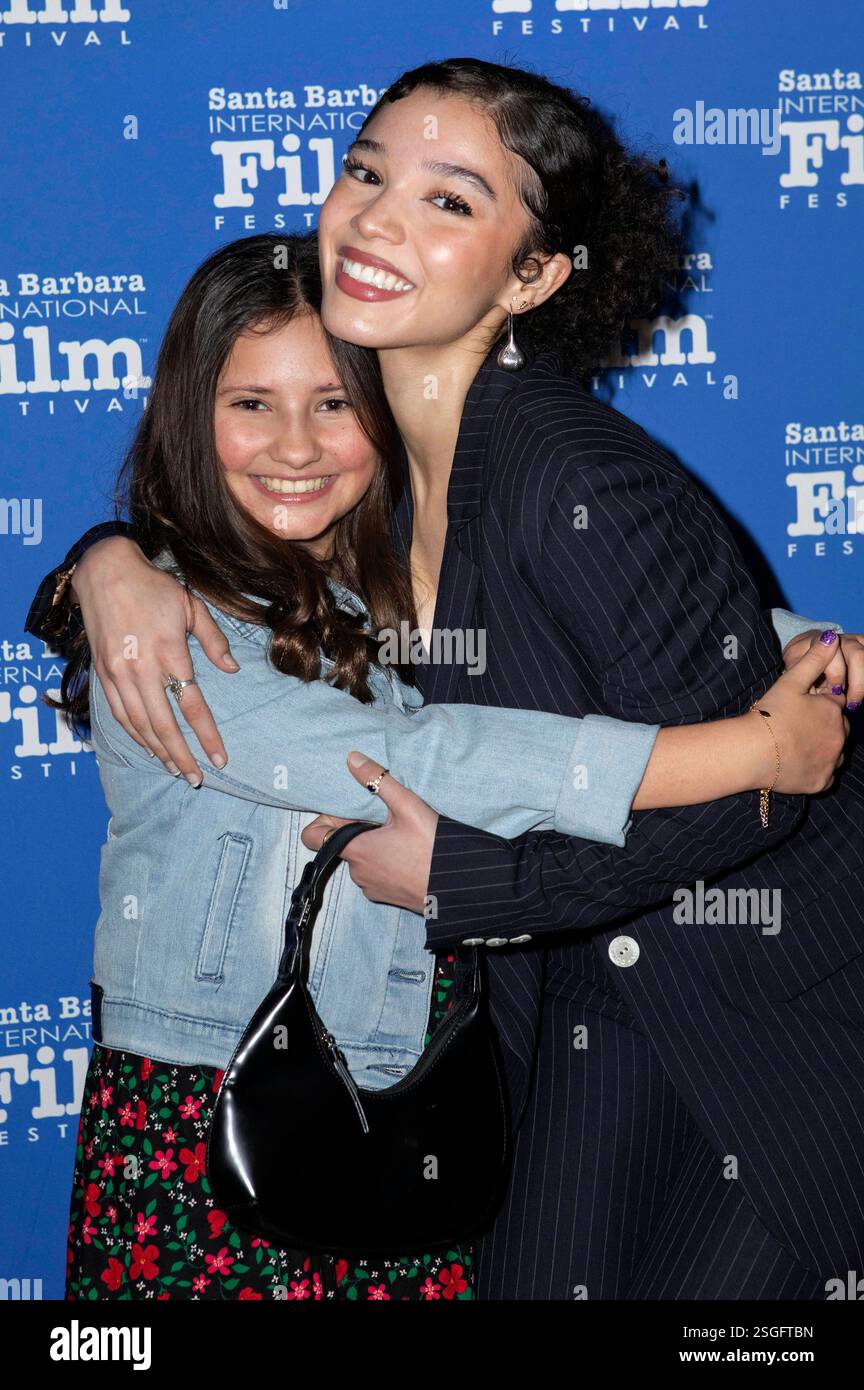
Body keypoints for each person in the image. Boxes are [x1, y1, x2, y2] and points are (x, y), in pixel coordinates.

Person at [28, 56, 864, 1300]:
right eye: (368, 171)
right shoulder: (251, 577)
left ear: (533, 274)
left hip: (637, 1046)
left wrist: (806, 656)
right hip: (256, 1115)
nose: (297, 444)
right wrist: (99, 567)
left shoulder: (499, 487)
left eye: (450, 200)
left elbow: (612, 630)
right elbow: (438, 747)